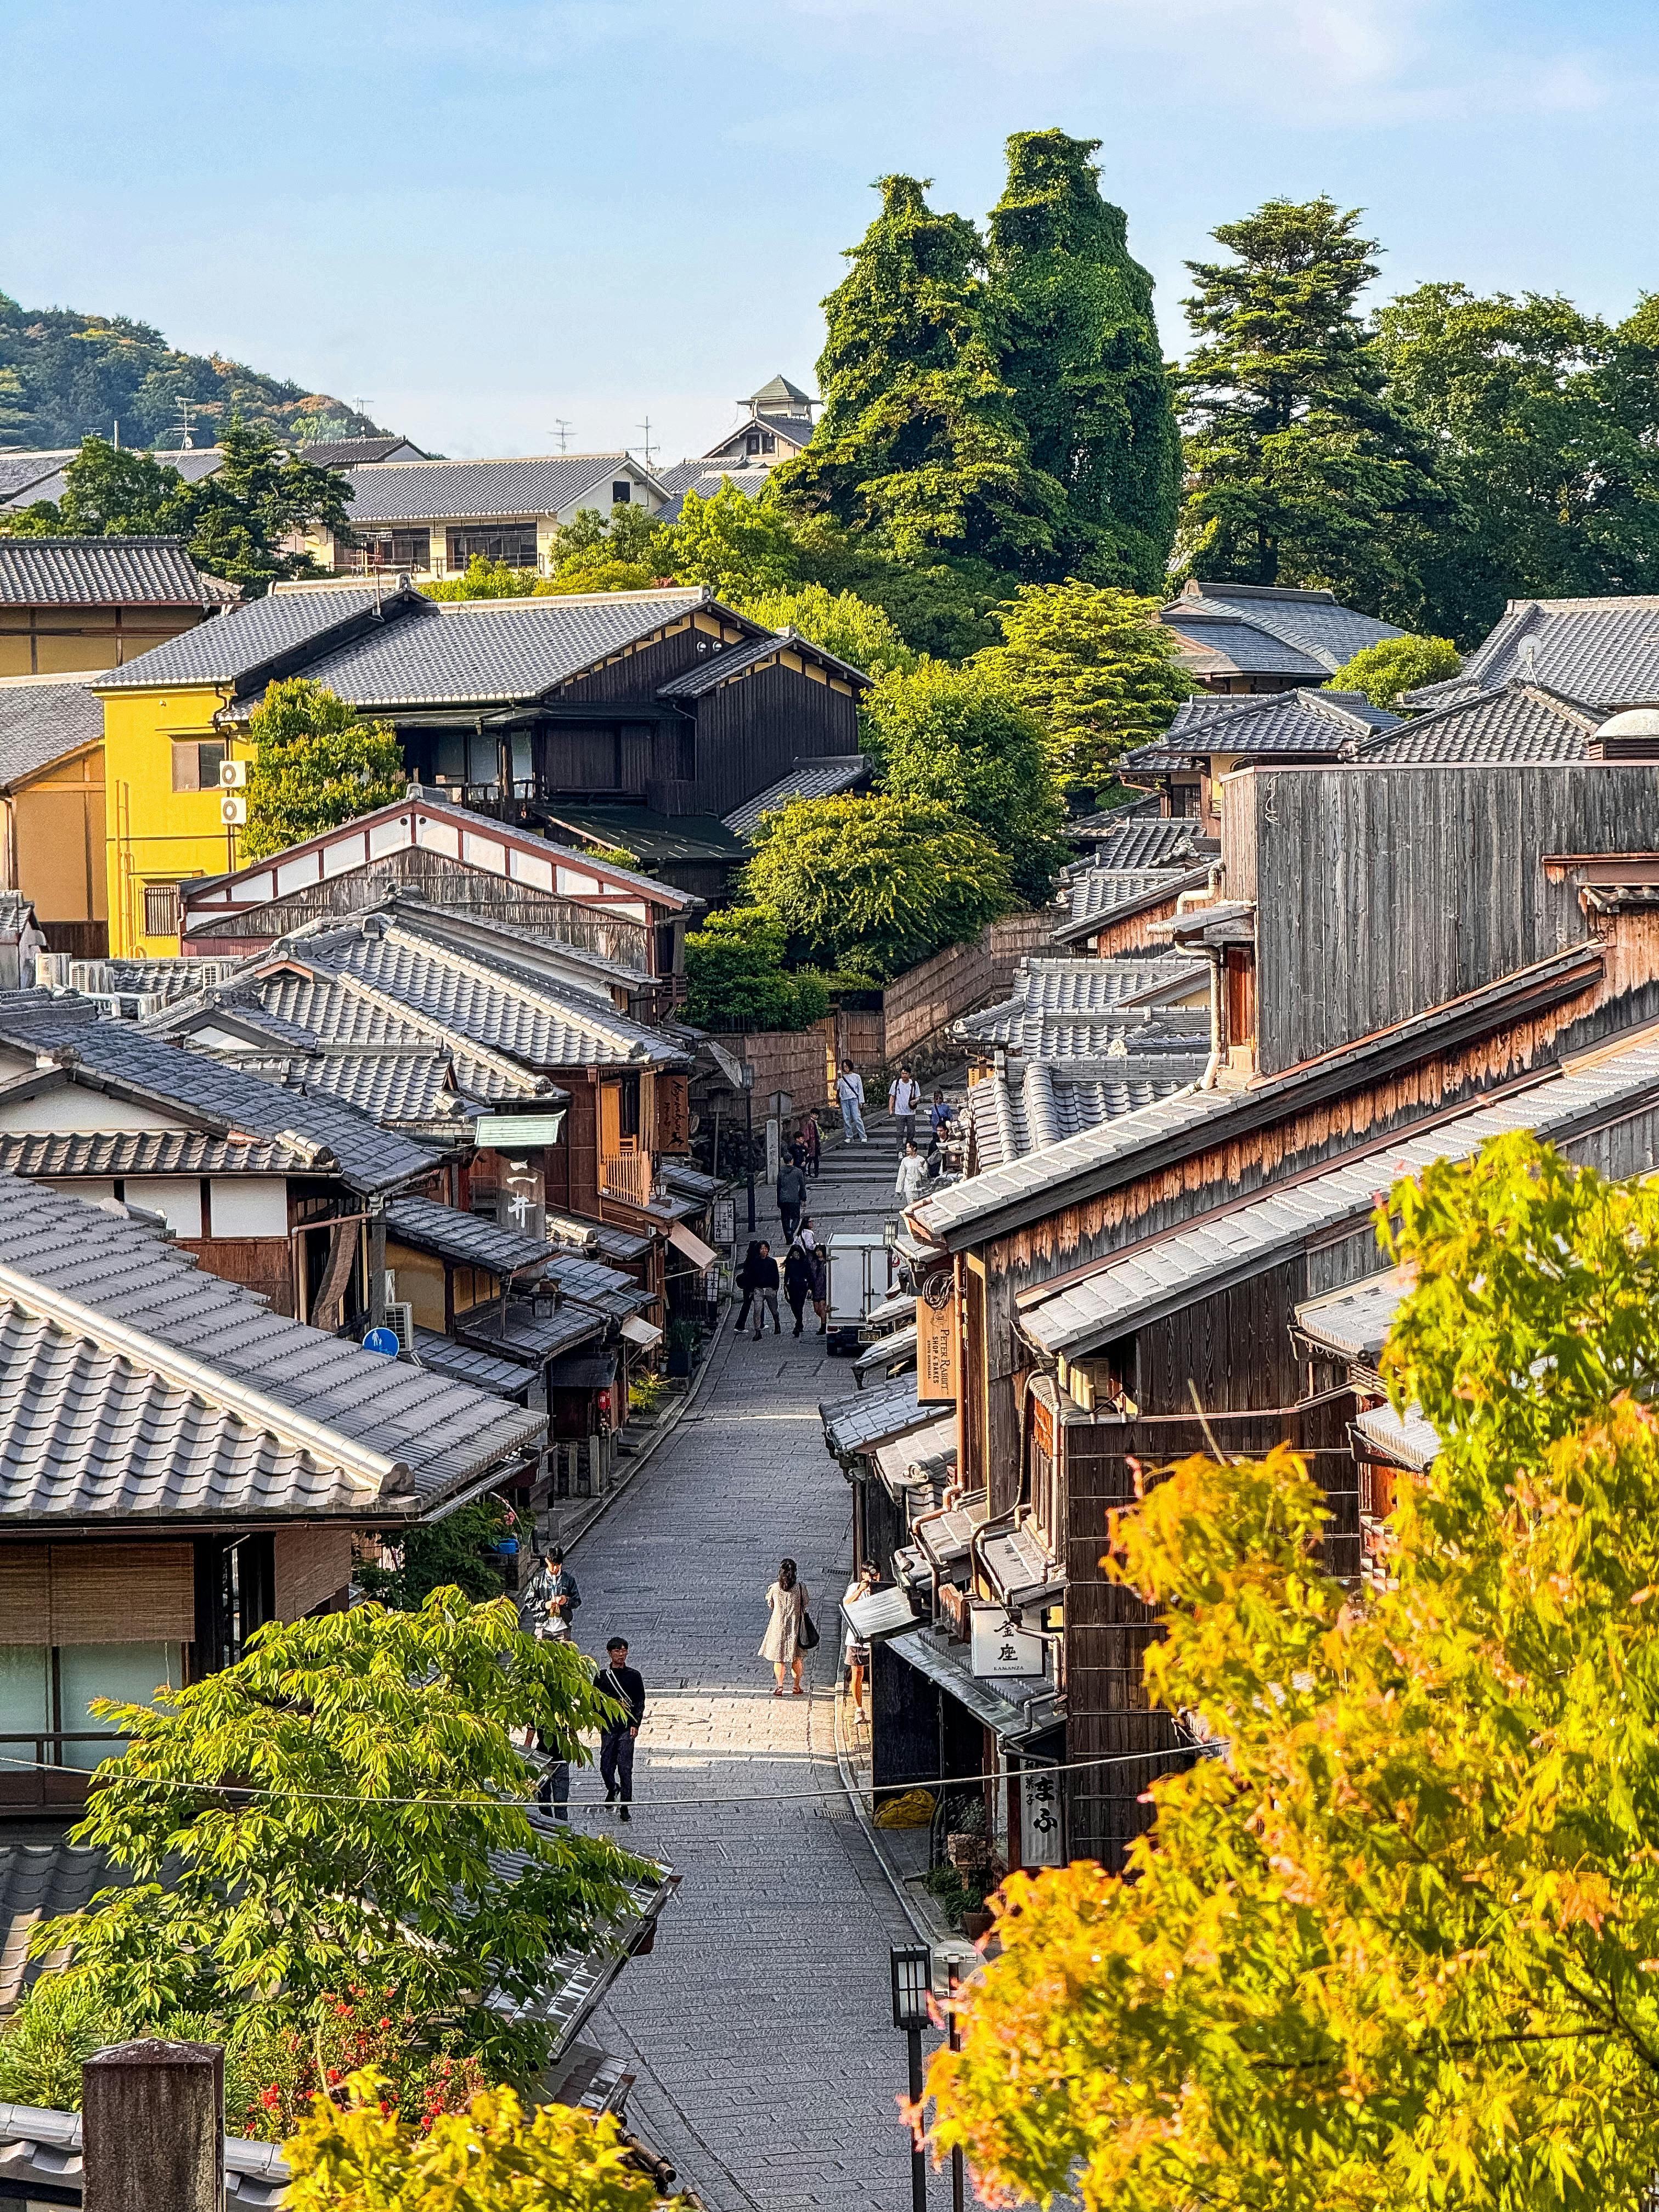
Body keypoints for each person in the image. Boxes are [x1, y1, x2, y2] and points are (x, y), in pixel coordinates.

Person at [596, 1636, 645, 1822]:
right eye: (617, 1651)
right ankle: (612, 1788)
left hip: (626, 1727)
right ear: (610, 1653)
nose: (621, 1654)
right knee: (606, 1766)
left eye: (624, 1650)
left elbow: (640, 1702)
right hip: (609, 1727)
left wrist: (636, 1724)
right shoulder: (602, 1677)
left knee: (625, 1768)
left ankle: (625, 1805)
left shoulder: (634, 1676)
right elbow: (596, 1701)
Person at [760, 1558, 810, 1695]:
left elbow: (771, 1605)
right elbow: (805, 1603)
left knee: (779, 1658)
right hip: (797, 1627)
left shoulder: (775, 1588)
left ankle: (780, 1686)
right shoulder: (801, 1587)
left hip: (778, 1627)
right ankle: (796, 1686)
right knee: (797, 1658)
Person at [842, 1564, 879, 1717]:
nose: (872, 1578)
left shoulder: (880, 1588)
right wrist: (861, 1590)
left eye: (875, 1575)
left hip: (875, 1638)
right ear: (863, 1574)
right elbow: (846, 1604)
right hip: (856, 1639)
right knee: (857, 1673)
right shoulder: (855, 1587)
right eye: (869, 1575)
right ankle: (859, 1708)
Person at [520, 1547, 580, 1641]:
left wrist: (566, 1601)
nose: (556, 1568)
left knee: (565, 1654)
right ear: (547, 1561)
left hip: (563, 1626)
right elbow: (529, 1601)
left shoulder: (569, 1580)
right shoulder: (538, 1580)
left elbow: (577, 1601)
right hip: (543, 1626)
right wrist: (545, 1605)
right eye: (553, 1565)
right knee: (542, 1654)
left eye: (559, 1565)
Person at [783, 1238, 815, 1338]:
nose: (796, 1255)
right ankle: (799, 1322)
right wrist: (785, 1287)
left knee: (800, 1306)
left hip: (802, 1287)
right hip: (792, 1286)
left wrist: (810, 1287)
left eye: (797, 1253)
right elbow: (786, 1275)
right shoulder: (790, 1263)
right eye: (794, 1253)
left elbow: (809, 1275)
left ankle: (798, 1324)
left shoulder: (805, 1262)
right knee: (793, 1305)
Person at [733, 1239, 766, 1333]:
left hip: (748, 1287)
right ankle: (755, 1324)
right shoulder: (756, 1260)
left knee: (747, 1306)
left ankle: (741, 1325)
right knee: (758, 1305)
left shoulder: (749, 1258)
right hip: (753, 1287)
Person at [751, 1242, 781, 1339]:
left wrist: (775, 1288)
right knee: (757, 1310)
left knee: (773, 1309)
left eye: (765, 1248)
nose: (764, 1250)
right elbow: (751, 1276)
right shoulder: (755, 1262)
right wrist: (752, 1290)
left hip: (770, 1289)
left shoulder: (772, 1262)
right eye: (762, 1249)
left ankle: (777, 1322)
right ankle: (758, 1331)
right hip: (758, 1290)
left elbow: (776, 1276)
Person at [889, 1065, 921, 1152]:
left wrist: (915, 1101)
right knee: (900, 1133)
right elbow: (892, 1096)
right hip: (899, 1112)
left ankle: (909, 1148)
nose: (904, 1075)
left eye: (906, 1074)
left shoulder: (914, 1084)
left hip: (911, 1112)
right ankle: (899, 1150)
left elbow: (918, 1097)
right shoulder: (896, 1083)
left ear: (909, 1074)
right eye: (902, 1073)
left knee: (911, 1132)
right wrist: (891, 1109)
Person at [836, 1061, 867, 1146]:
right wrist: (838, 1079)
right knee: (846, 1119)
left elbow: (860, 1090)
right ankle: (849, 1136)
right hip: (844, 1100)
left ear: (850, 1067)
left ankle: (863, 1136)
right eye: (844, 1067)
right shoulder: (841, 1079)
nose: (845, 1068)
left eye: (847, 1066)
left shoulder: (856, 1077)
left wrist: (861, 1102)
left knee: (857, 1118)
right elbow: (836, 1088)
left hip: (854, 1099)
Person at [777, 1156, 807, 1244]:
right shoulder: (798, 1172)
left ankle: (788, 1238)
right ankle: (791, 1231)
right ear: (792, 1161)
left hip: (783, 1199)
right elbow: (802, 1186)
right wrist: (803, 1198)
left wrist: (778, 1200)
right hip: (794, 1199)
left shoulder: (781, 1173)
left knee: (785, 1219)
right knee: (796, 1218)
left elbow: (778, 1188)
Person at [895, 1141, 929, 1207]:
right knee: (911, 1205)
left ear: (914, 1148)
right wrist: (899, 1189)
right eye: (907, 1147)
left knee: (920, 1205)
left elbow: (925, 1174)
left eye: (909, 1147)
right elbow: (901, 1175)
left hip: (919, 1187)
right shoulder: (905, 1160)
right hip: (909, 1186)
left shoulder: (921, 1159)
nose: (907, 1149)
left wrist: (920, 1167)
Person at [808, 1237, 828, 1336]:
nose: (818, 1252)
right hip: (815, 1289)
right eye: (817, 1251)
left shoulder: (827, 1263)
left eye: (819, 1250)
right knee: (817, 1310)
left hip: (824, 1289)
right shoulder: (814, 1263)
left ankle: (823, 1326)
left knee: (822, 1308)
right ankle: (824, 1320)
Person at [927, 1090, 956, 1155]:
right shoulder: (931, 1107)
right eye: (937, 1098)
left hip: (944, 1128)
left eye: (940, 1098)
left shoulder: (946, 1107)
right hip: (935, 1129)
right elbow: (930, 1116)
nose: (939, 1100)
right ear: (934, 1099)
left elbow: (950, 1117)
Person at [800, 1109, 821, 1180]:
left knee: (815, 1159)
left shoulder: (814, 1123)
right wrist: (806, 1142)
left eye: (816, 1115)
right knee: (810, 1159)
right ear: (811, 1114)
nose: (815, 1116)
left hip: (815, 1144)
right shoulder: (810, 1123)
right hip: (811, 1144)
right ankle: (808, 1172)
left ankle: (816, 1173)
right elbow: (807, 1133)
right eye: (814, 1114)